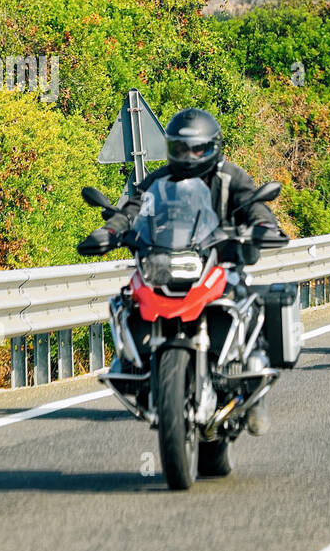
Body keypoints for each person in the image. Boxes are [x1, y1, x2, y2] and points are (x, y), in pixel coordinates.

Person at [77, 107, 285, 435]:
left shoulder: (231, 177)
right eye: (180, 148)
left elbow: (253, 204)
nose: (189, 156)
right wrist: (110, 231)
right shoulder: (160, 180)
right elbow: (134, 208)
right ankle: (136, 364)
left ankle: (254, 387)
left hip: (219, 263)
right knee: (127, 300)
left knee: (250, 305)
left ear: (213, 147)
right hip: (165, 262)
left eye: (198, 148)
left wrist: (262, 224)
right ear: (170, 147)